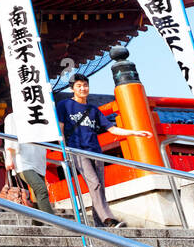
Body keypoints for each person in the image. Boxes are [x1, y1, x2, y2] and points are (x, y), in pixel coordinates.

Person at [56, 73, 153, 228]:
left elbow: (112, 129)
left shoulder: (93, 109)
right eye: (79, 86)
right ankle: (109, 219)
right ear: (72, 88)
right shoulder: (64, 105)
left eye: (85, 85)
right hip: (77, 150)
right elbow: (60, 127)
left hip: (95, 150)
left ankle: (99, 224)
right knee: (95, 184)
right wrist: (63, 148)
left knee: (100, 186)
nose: (83, 88)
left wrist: (134, 132)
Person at [2, 111, 53, 215]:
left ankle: (38, 224)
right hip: (22, 160)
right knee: (41, 188)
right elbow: (10, 138)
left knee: (36, 194)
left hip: (38, 159)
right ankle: (55, 222)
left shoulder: (38, 114)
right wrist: (9, 156)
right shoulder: (12, 117)